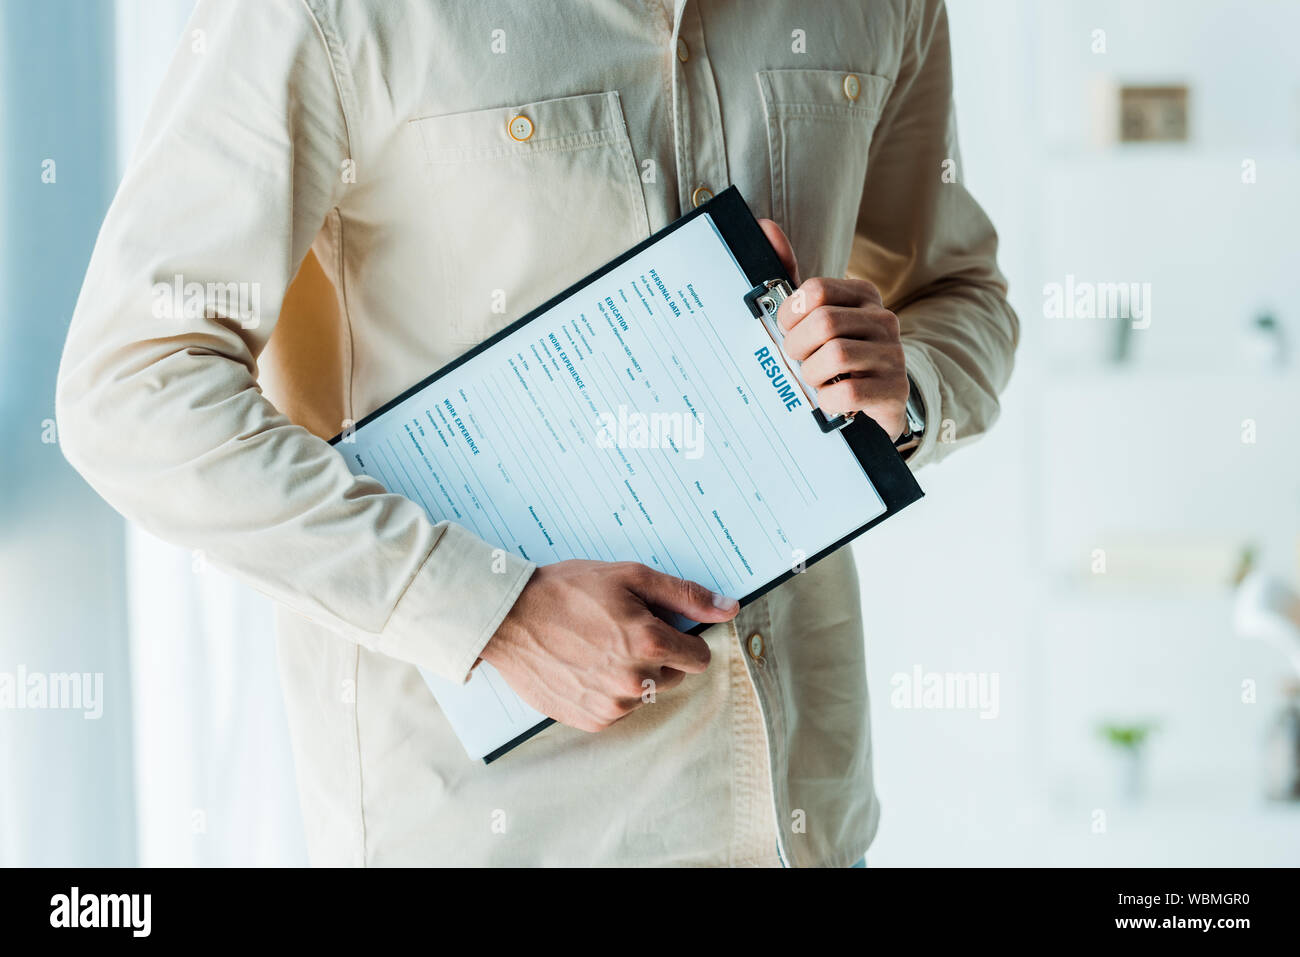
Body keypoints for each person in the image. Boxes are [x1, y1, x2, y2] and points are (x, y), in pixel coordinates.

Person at [57, 0, 1017, 866]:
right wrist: (488, 609)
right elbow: (134, 383)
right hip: (490, 832)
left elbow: (956, 292)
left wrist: (909, 389)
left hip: (806, 824)